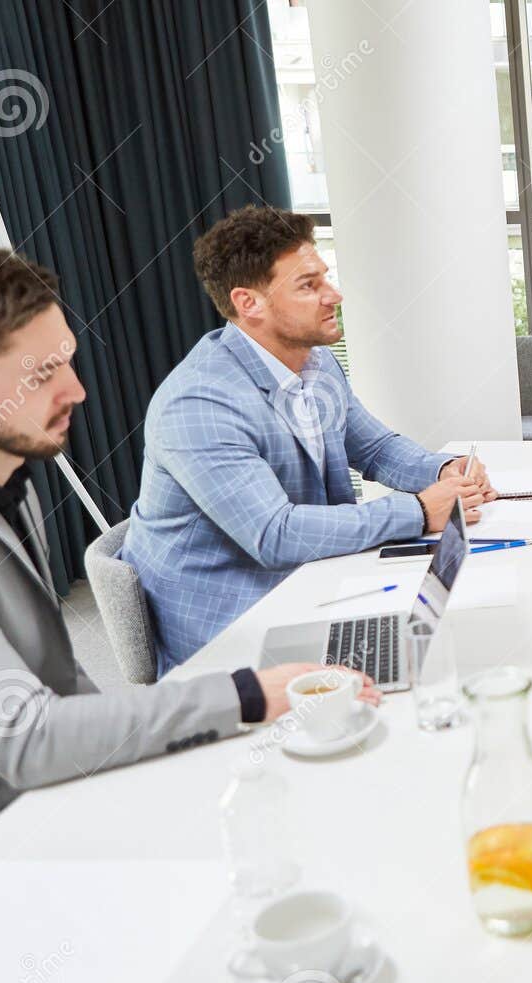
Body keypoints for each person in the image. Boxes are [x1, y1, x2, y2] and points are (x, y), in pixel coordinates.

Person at [0, 248, 375, 839]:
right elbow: (27, 734)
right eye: (40, 373)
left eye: (69, 363)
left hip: (56, 793)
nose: (77, 392)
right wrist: (244, 695)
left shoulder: (11, 475)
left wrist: (137, 765)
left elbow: (58, 676)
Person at [121, 207, 494, 675]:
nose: (333, 295)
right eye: (308, 285)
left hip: (311, 579)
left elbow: (375, 448)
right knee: (437, 661)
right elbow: (274, 535)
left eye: (325, 278)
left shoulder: (315, 362)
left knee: (461, 627)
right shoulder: (199, 404)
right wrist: (418, 510)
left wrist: (442, 470)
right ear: (248, 302)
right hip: (232, 626)